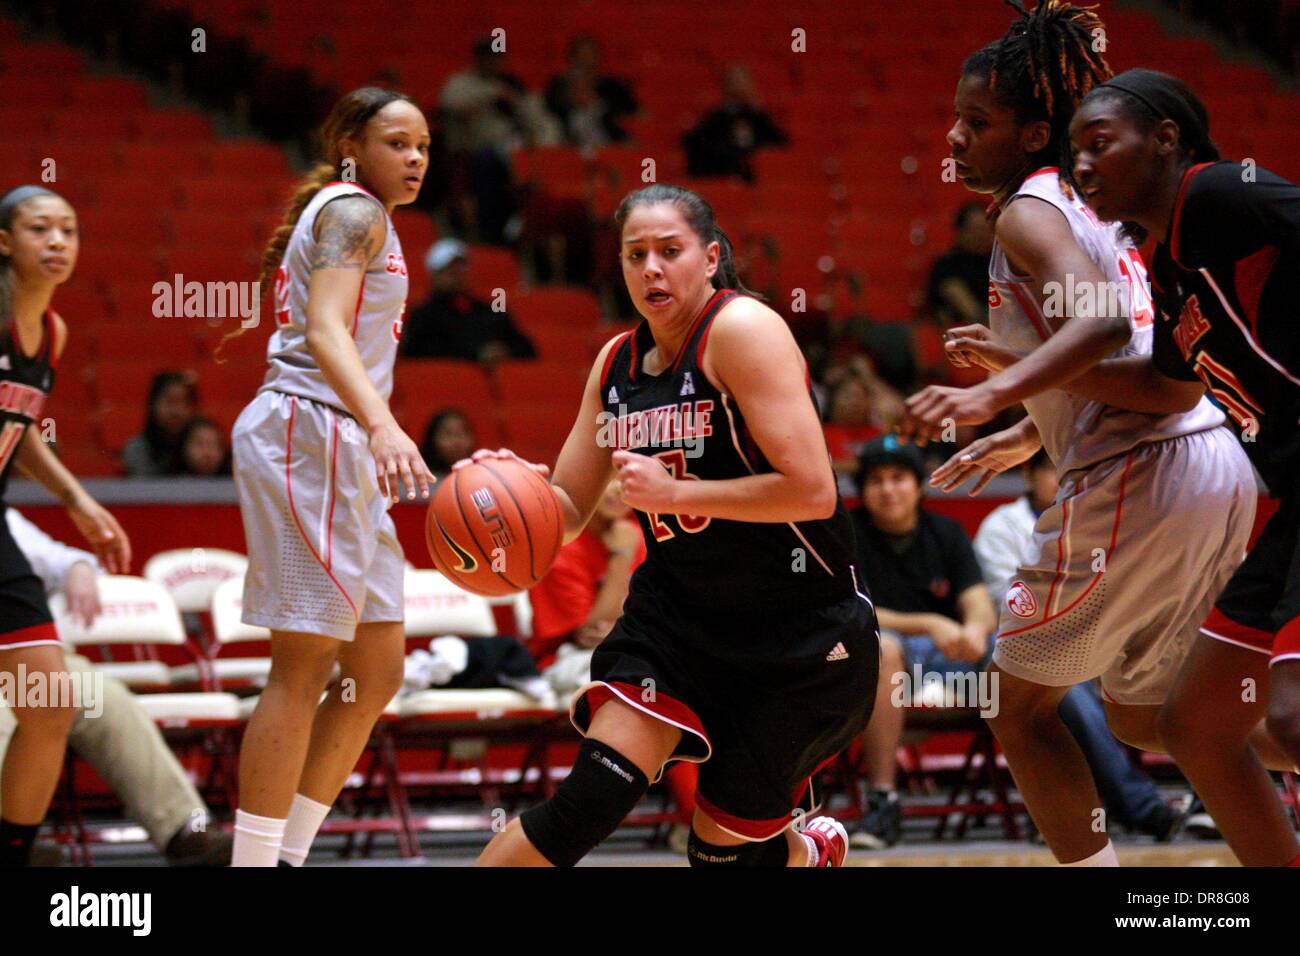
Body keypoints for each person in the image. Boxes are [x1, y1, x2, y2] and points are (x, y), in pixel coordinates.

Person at [902, 1, 1262, 867]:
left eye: (975, 122)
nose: (952, 136)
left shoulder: (1028, 212)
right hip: (1213, 460)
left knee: (1015, 704)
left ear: (1033, 135)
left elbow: (1100, 324)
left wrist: (997, 396)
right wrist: (1031, 430)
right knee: (1155, 715)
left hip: (1140, 475)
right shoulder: (1096, 198)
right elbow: (1143, 362)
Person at [473, 183, 879, 867]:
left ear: (710, 256)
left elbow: (812, 491)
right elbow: (569, 510)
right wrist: (511, 491)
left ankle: (805, 855)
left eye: (670, 251)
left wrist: (677, 490)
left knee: (717, 853)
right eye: (636, 255)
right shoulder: (615, 364)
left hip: (798, 633)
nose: (651, 269)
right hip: (676, 625)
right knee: (585, 805)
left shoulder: (742, 330)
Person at [1049, 67, 1300, 865]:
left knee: (1290, 717)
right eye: (1072, 153)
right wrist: (1025, 374)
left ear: (1166, 140)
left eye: (1099, 143)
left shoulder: (1222, 194)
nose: (1082, 164)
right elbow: (1165, 386)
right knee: (1193, 722)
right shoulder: (1168, 267)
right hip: (1291, 495)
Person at [218, 87, 435, 867]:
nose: (414, 159)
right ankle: (253, 865)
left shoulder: (358, 213)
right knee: (302, 663)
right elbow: (323, 328)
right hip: (311, 433)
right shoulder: (354, 210)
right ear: (351, 143)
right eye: (398, 143)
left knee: (376, 668)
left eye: (423, 147)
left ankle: (287, 855)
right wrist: (382, 422)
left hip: (335, 441)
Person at [0, 184, 131, 866]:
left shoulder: (50, 332)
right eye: (38, 229)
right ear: (3, 242)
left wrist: (79, 501)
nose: (56, 241)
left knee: (48, 701)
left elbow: (17, 432)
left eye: (68, 230)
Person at [969, 448, 1186, 842]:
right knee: (1063, 693)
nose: (1064, 477)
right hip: (1026, 647)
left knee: (1184, 660)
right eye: (1052, 469)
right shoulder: (1001, 526)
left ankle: (1205, 798)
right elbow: (1013, 604)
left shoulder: (1102, 518)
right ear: (1030, 475)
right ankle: (1138, 806)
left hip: (1104, 639)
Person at [0, 508, 232, 866]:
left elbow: (65, 557)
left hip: (30, 661)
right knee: (8, 712)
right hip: (13, 673)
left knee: (108, 700)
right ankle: (14, 835)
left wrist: (77, 569)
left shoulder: (7, 518)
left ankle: (187, 830)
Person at [848, 436, 995, 848]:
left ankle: (1055, 797)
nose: (888, 489)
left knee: (1017, 650)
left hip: (948, 662)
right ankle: (882, 801)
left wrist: (976, 631)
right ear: (862, 489)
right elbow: (857, 612)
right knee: (884, 648)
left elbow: (979, 602)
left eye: (899, 478)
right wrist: (931, 622)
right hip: (874, 666)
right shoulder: (847, 534)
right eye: (876, 480)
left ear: (920, 486)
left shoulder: (945, 531)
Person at [439, 39, 561, 244]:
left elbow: (540, 120)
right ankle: (490, 234)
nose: (493, 63)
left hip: (516, 151)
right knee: (487, 161)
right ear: (479, 59)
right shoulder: (462, 83)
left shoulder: (513, 85)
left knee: (541, 170)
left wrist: (515, 102)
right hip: (477, 153)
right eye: (489, 58)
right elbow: (451, 103)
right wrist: (492, 94)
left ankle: (525, 231)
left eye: (497, 58)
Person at [399, 238, 535, 364]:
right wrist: (475, 354)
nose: (456, 272)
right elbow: (420, 353)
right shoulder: (423, 315)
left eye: (460, 267)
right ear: (435, 274)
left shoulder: (489, 310)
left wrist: (505, 351)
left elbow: (526, 347)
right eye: (448, 268)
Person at [682, 65, 788, 182]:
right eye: (735, 82)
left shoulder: (758, 117)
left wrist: (757, 111)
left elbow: (778, 144)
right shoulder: (716, 117)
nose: (740, 87)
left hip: (754, 179)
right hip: (725, 176)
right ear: (725, 86)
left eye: (743, 82)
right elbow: (699, 146)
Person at [544, 35, 638, 149]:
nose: (586, 61)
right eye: (582, 56)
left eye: (591, 55)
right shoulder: (559, 85)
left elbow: (635, 114)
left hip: (608, 146)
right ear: (572, 59)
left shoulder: (612, 87)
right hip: (571, 147)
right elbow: (551, 112)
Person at [926, 201, 995, 328]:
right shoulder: (947, 265)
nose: (982, 235)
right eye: (976, 230)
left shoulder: (1000, 263)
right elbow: (972, 311)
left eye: (986, 229)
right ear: (960, 232)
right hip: (964, 332)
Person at [120, 371, 198, 477]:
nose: (176, 411)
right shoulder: (137, 450)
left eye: (183, 402)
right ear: (153, 405)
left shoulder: (199, 449)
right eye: (169, 401)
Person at [418, 408, 476, 480]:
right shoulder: (417, 483)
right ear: (432, 439)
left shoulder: (480, 478)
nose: (457, 442)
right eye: (448, 433)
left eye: (463, 433)